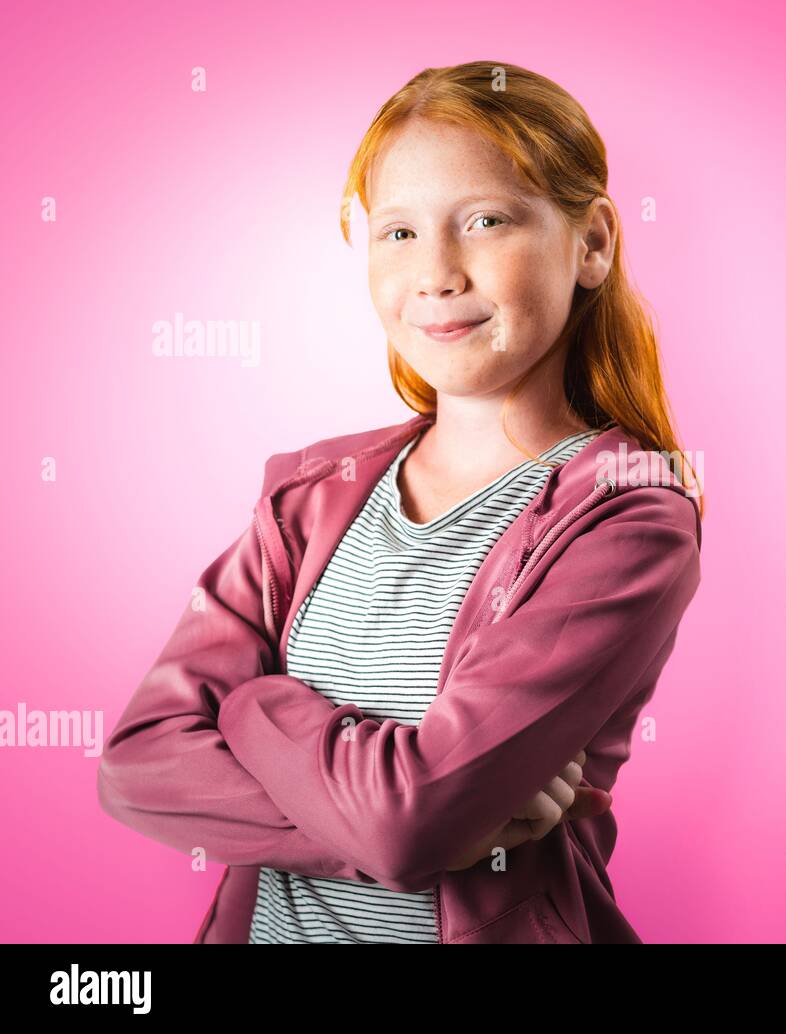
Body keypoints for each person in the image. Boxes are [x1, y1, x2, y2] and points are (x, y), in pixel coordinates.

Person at [96, 61, 705, 943]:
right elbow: (140, 763)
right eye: (399, 233)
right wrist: (398, 832)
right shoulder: (308, 493)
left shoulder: (629, 512)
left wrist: (252, 706)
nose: (437, 273)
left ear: (593, 243)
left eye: (486, 221)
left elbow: (411, 816)